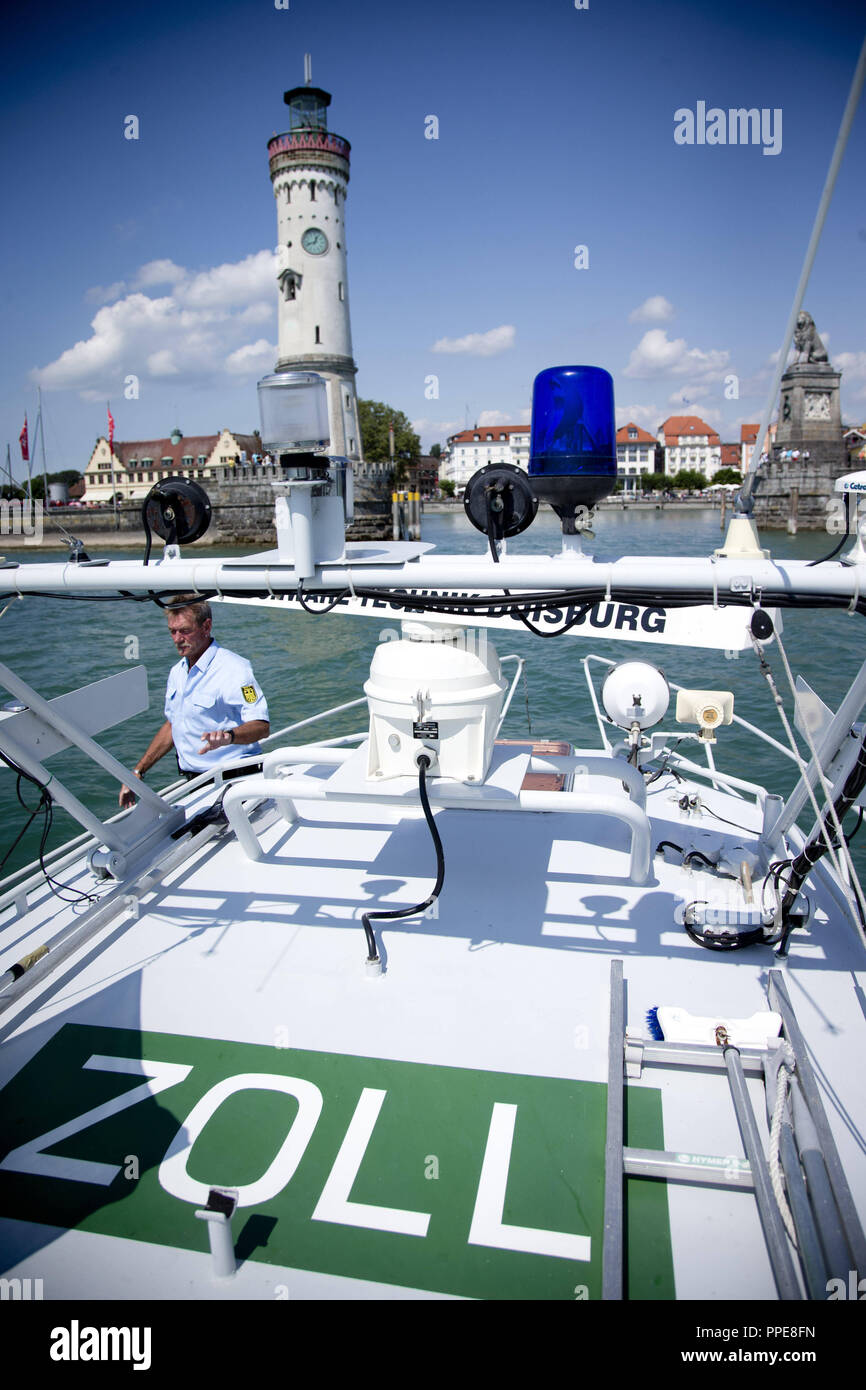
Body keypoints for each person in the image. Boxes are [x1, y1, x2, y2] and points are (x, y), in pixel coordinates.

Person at [119, 594, 270, 807]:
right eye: (172, 631)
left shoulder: (236, 670)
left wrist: (228, 736)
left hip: (234, 780)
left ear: (206, 626)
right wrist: (138, 771)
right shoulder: (177, 673)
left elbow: (261, 726)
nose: (177, 639)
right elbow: (174, 724)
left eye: (185, 631)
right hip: (196, 784)